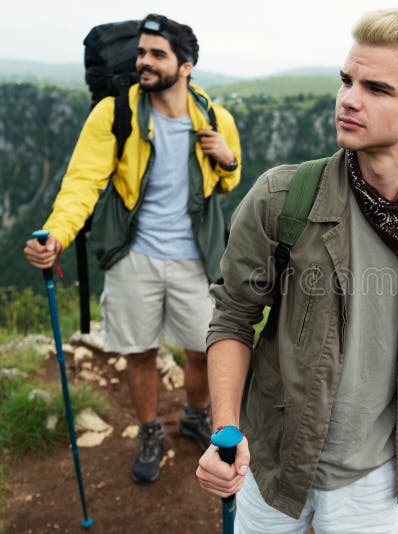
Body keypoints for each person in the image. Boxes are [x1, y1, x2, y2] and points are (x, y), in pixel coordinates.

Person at [196, 9, 398, 533]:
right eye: (346, 80)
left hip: (377, 474)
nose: (348, 98)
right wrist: (226, 433)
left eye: (376, 88)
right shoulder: (283, 198)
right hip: (275, 460)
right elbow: (233, 317)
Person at [23, 13, 241, 484]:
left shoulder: (215, 118)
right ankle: (149, 431)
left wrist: (228, 158)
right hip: (133, 256)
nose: (144, 61)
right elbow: (83, 183)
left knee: (202, 350)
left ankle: (194, 415)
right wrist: (57, 233)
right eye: (141, 52)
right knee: (140, 352)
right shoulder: (114, 114)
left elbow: (227, 181)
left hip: (194, 258)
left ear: (185, 66)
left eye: (157, 54)